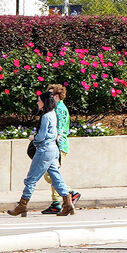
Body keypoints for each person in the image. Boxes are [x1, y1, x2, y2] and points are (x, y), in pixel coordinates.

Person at [9, 88, 73, 217]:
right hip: (54, 149)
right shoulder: (53, 114)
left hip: (44, 150)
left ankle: (22, 205)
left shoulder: (45, 116)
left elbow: (42, 135)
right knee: (56, 177)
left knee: (31, 179)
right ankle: (67, 204)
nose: (37, 103)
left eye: (39, 101)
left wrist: (34, 139)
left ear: (44, 102)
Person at [41, 83, 81, 214]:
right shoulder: (53, 108)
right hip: (54, 145)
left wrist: (53, 139)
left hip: (59, 146)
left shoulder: (60, 109)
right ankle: (56, 203)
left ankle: (70, 193)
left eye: (51, 94)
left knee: (51, 174)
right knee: (51, 174)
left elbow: (61, 128)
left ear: (57, 96)